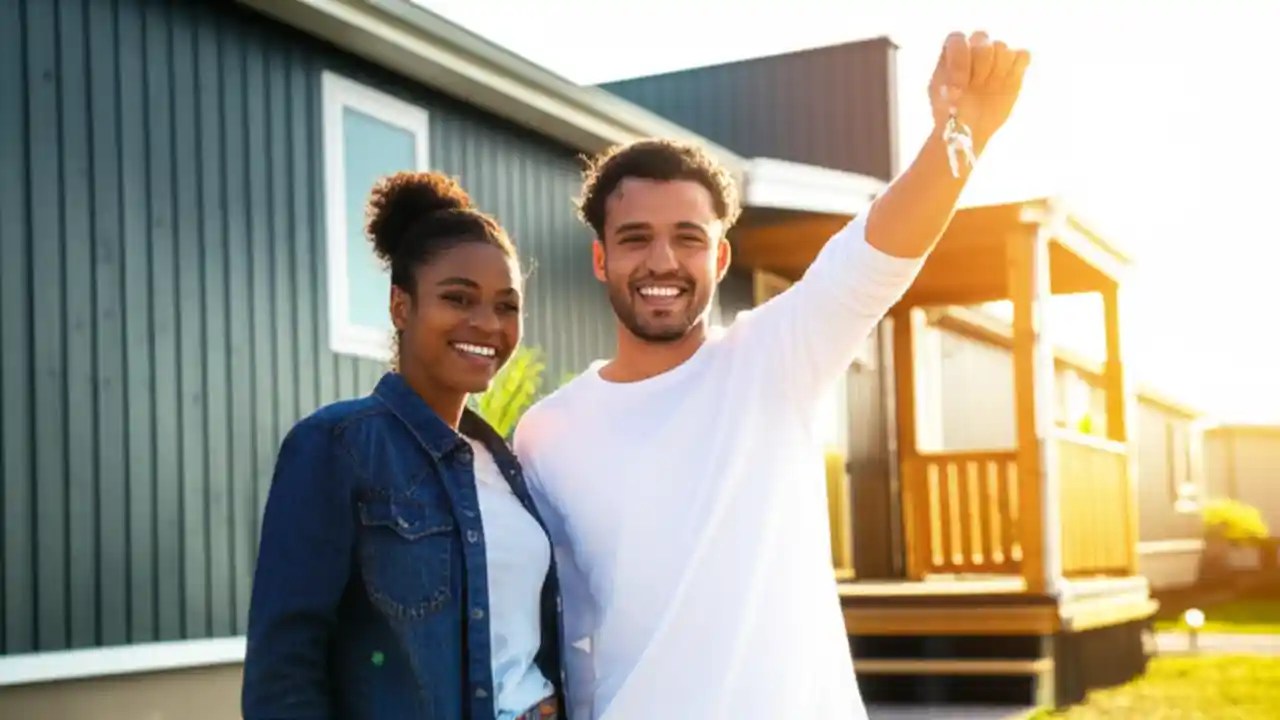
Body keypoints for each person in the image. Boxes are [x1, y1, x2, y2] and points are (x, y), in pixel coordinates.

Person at [512, 31, 1030, 719]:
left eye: (688, 238)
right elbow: (537, 612)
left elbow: (875, 252)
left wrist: (959, 138)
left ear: (720, 260)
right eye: (635, 238)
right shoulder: (547, 433)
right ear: (602, 259)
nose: (662, 260)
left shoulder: (772, 360)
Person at [241, 172, 563, 720]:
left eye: (506, 305)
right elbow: (283, 676)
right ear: (400, 306)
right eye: (458, 298)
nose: (486, 323)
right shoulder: (335, 447)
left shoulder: (506, 464)